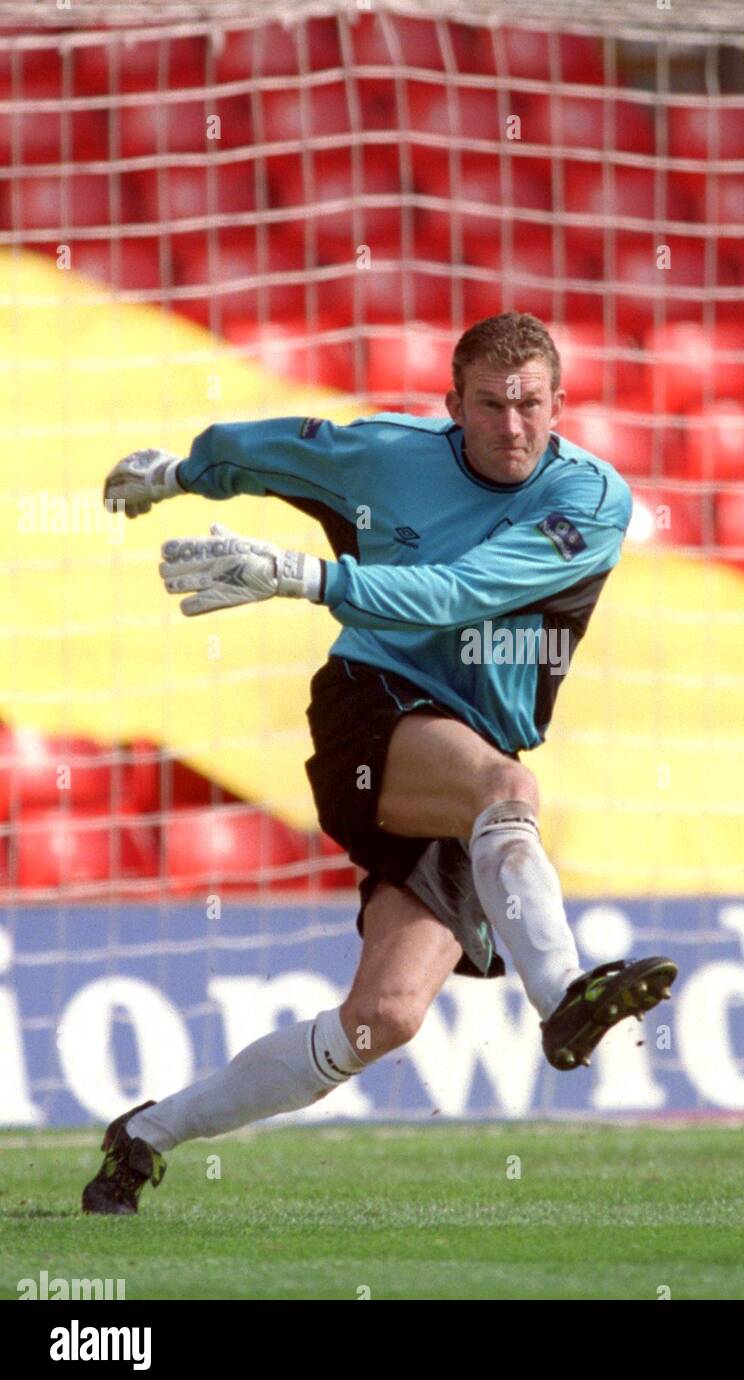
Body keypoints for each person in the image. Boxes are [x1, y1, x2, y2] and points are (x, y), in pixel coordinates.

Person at [83, 312, 676, 1215]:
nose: (511, 427)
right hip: (375, 707)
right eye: (489, 405)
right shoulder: (392, 455)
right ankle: (563, 999)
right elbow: (282, 448)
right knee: (508, 791)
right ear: (454, 405)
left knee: (384, 1020)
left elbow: (463, 591)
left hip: (466, 764)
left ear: (560, 406)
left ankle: (144, 1138)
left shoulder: (590, 502)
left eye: (529, 406)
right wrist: (179, 473)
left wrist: (302, 577)